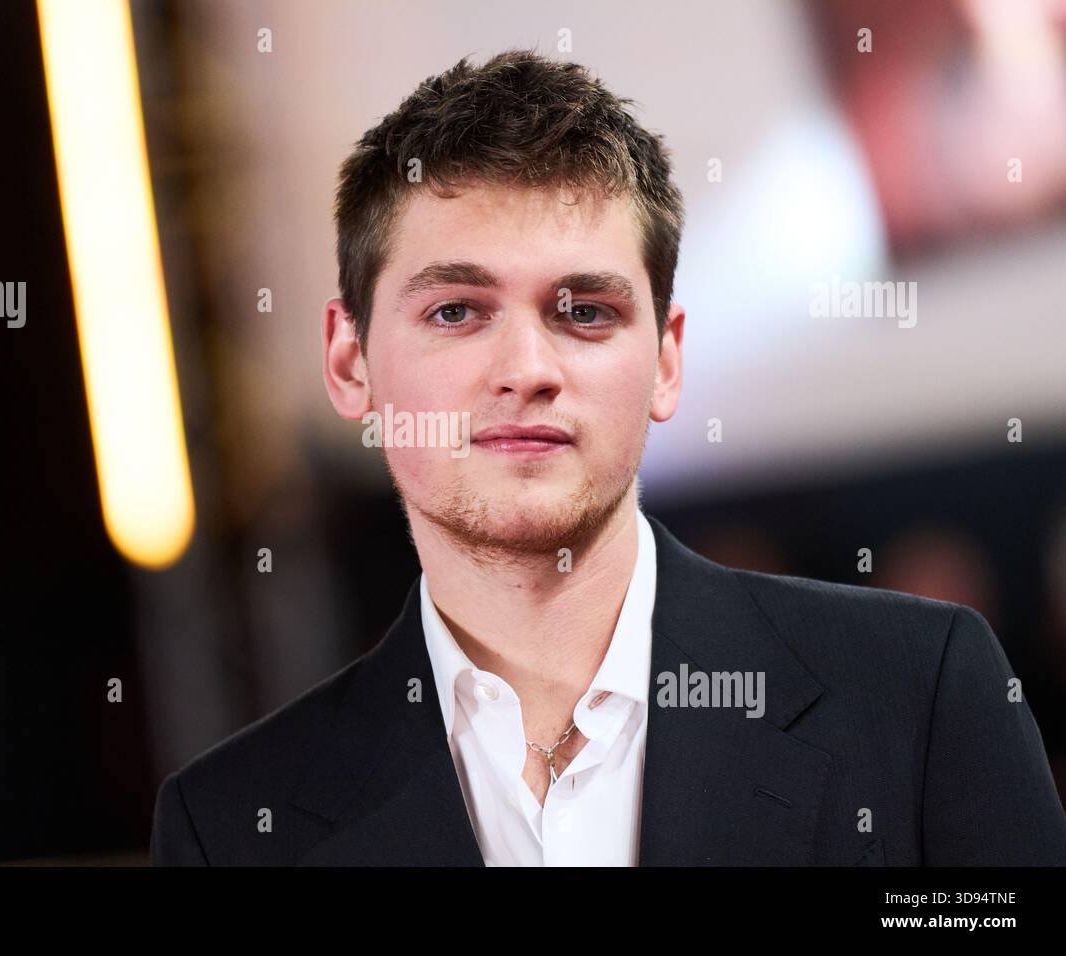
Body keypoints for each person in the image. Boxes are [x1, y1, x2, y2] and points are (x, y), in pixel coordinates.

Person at [151, 49, 1066, 866]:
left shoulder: (920, 699)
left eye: (584, 310)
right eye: (456, 312)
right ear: (351, 365)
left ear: (667, 361)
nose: (526, 370)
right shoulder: (233, 825)